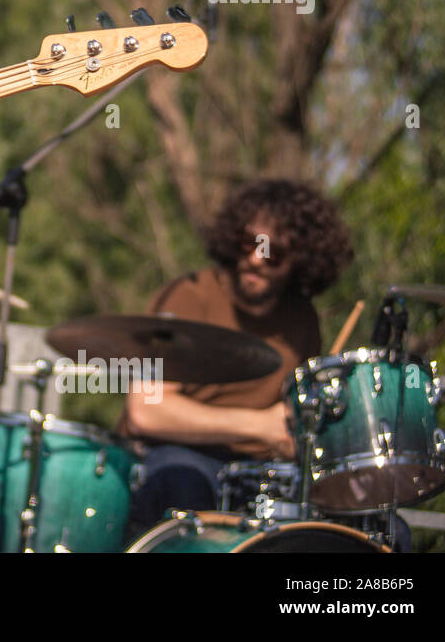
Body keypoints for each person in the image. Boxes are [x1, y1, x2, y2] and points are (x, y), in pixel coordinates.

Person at [119, 179, 353, 534]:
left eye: (272, 252)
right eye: (248, 244)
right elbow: (147, 410)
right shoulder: (188, 296)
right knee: (181, 484)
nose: (255, 260)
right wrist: (260, 425)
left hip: (260, 472)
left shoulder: (303, 318)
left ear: (300, 260)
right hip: (180, 456)